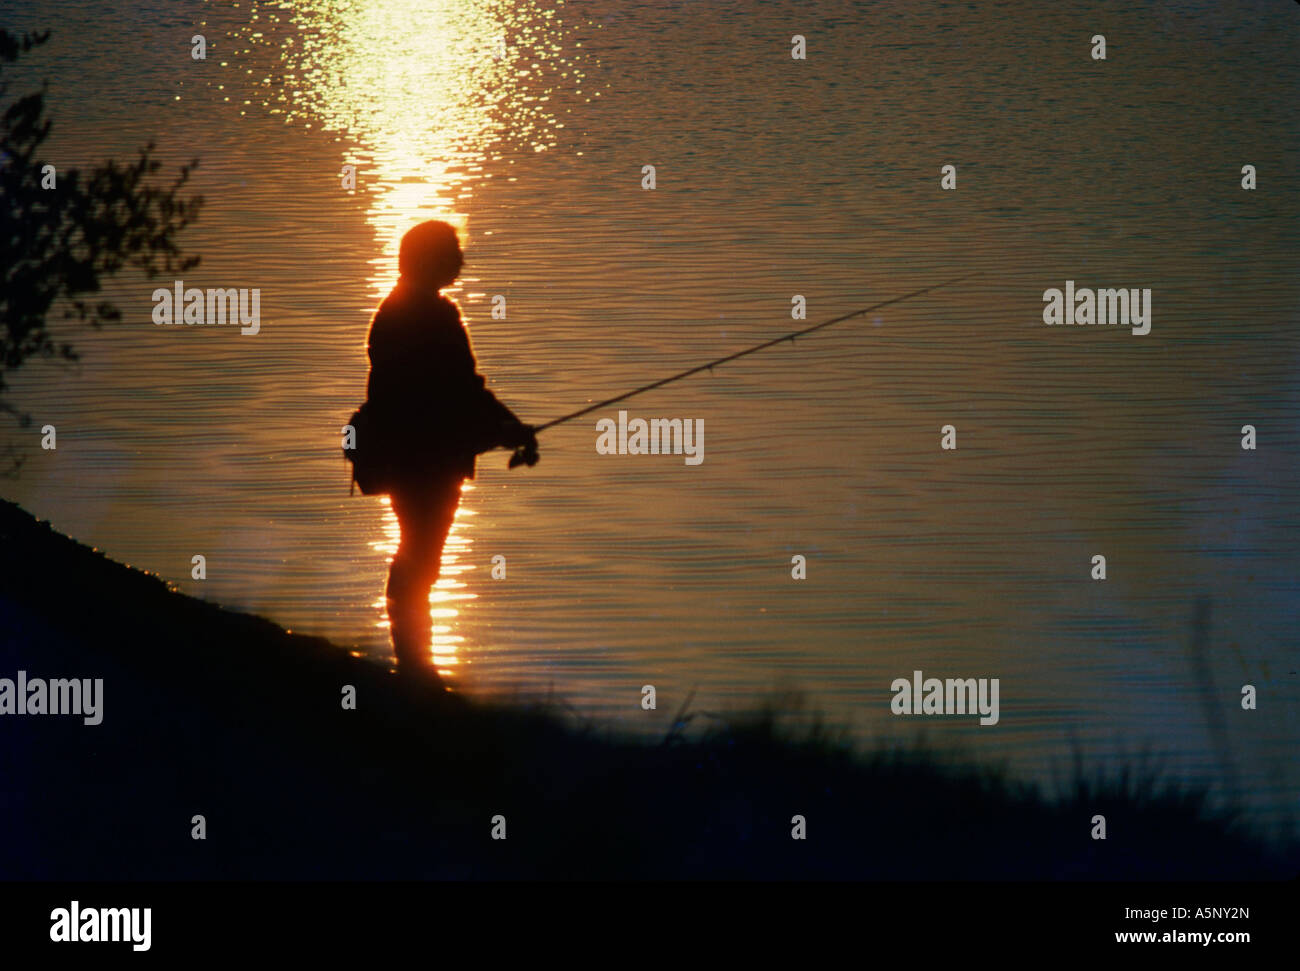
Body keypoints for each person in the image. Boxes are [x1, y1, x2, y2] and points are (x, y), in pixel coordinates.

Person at [365, 220, 538, 688]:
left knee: (420, 553)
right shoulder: (423, 314)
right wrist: (504, 427)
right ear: (428, 259)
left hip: (421, 455)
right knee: (419, 553)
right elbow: (452, 392)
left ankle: (414, 661)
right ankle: (415, 667)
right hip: (423, 458)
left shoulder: (413, 309)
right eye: (452, 250)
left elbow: (463, 390)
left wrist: (508, 426)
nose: (461, 258)